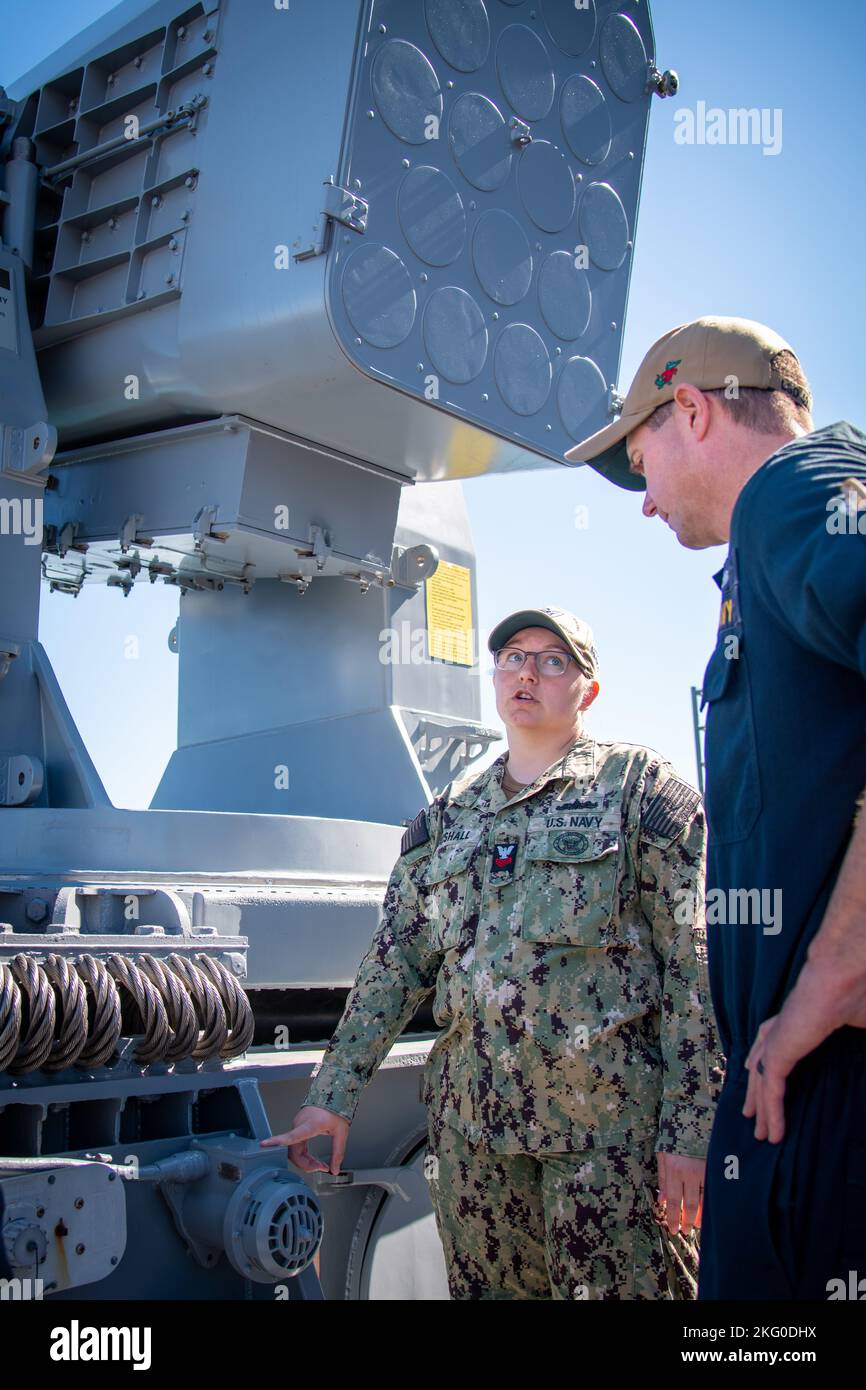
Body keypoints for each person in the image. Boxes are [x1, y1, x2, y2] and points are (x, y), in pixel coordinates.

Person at [262, 606, 723, 1299]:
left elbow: (696, 970)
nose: (527, 672)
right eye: (512, 656)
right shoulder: (446, 820)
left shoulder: (638, 794)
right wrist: (333, 1098)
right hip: (475, 1152)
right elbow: (394, 969)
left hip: (608, 1151)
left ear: (587, 690)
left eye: (552, 660)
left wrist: (691, 1134)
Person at [564, 315, 866, 1300]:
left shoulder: (795, 492)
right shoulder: (779, 532)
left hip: (823, 1097)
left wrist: (829, 977)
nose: (642, 504)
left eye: (636, 459)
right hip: (791, 1095)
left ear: (687, 408)